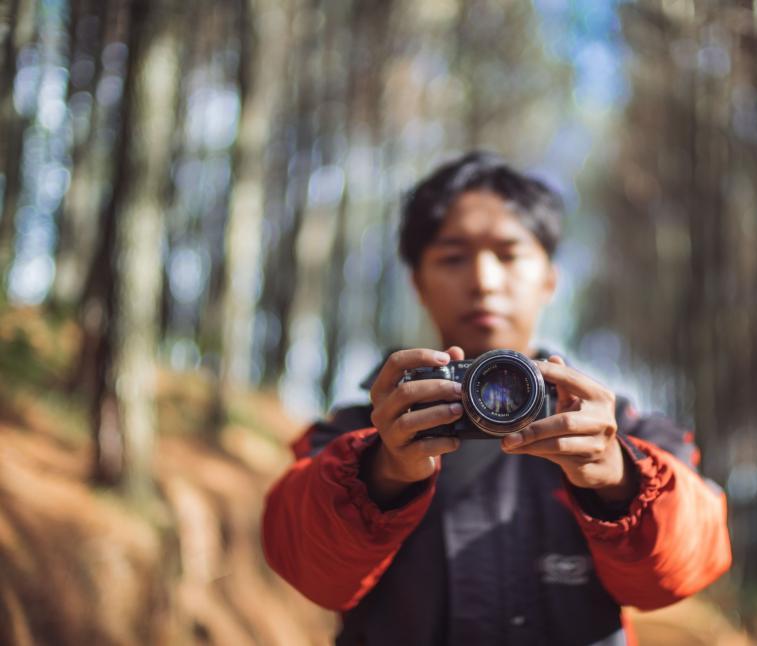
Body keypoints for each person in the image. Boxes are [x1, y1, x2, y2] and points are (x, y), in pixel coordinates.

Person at [261, 151, 732, 646]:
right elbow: (308, 570)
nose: (483, 282)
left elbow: (681, 572)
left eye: (508, 255)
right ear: (418, 284)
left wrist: (617, 477)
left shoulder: (618, 430)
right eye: (452, 257)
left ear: (550, 279)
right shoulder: (357, 437)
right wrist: (382, 473)